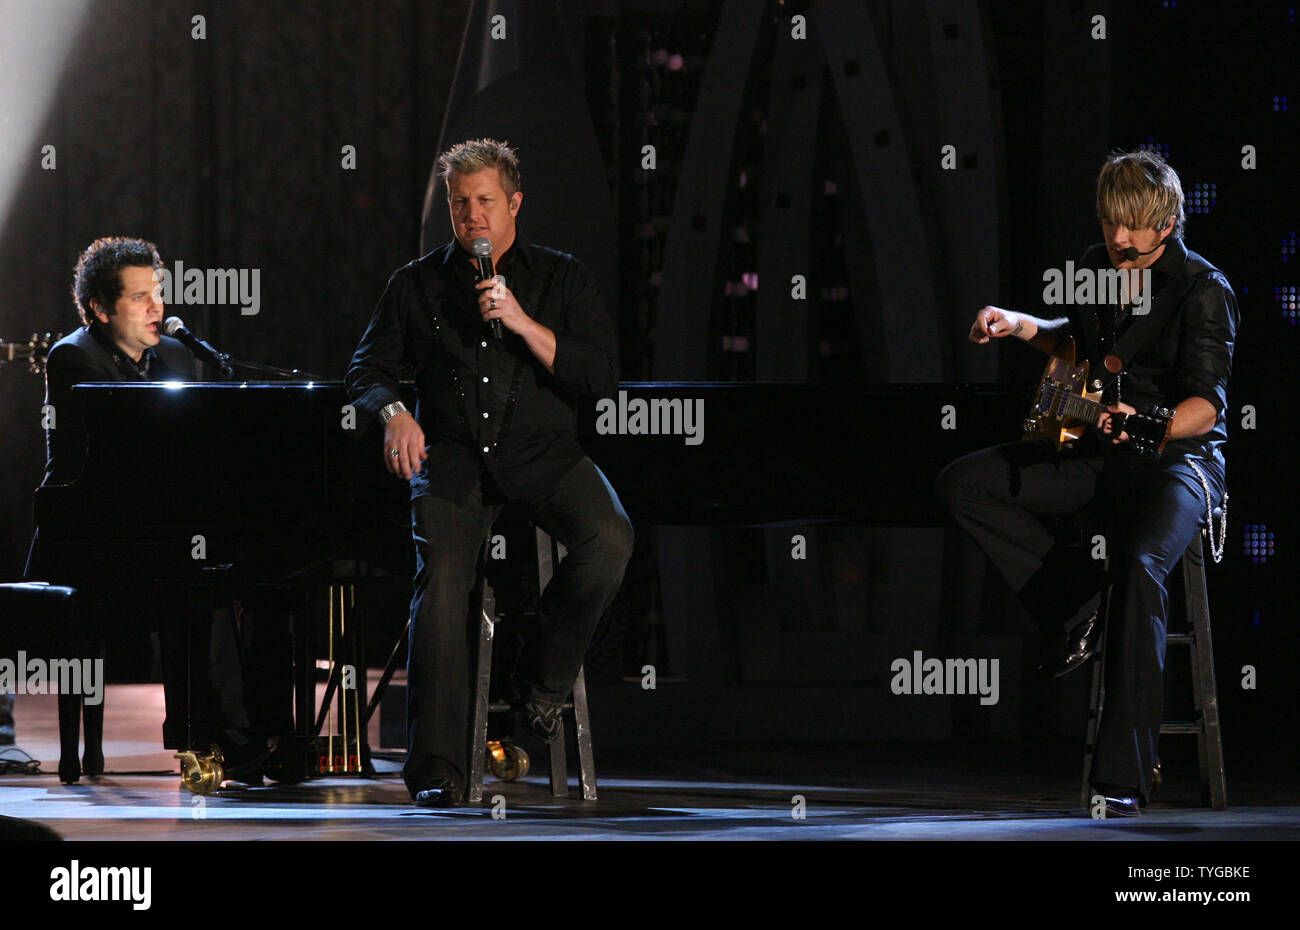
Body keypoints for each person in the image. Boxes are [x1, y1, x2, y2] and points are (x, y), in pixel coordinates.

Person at [935, 150, 1238, 817]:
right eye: (1110, 224)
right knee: (968, 483)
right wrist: (1016, 324)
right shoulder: (1094, 268)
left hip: (1175, 462)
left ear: (1168, 222)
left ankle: (1124, 776)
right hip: (1099, 452)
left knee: (1139, 564)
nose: (1120, 239)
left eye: (1134, 226)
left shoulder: (1201, 287)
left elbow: (1208, 406)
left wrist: (1151, 425)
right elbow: (1070, 342)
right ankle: (1077, 606)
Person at [346, 138, 633, 806]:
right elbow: (366, 368)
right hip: (451, 460)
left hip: (545, 456)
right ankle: (439, 770)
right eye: (459, 203)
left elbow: (600, 376)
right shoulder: (414, 284)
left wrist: (524, 322)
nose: (472, 216)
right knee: (443, 585)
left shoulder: (560, 279)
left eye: (484, 201)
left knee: (610, 538)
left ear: (514, 204)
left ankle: (538, 688)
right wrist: (393, 412)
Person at [25, 237, 286, 774]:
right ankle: (215, 739)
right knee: (197, 584)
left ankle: (275, 736)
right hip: (89, 535)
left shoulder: (173, 355)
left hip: (157, 525)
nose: (157, 308)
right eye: (139, 297)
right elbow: (117, 460)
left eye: (158, 294)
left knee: (268, 579)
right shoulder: (74, 356)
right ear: (100, 308)